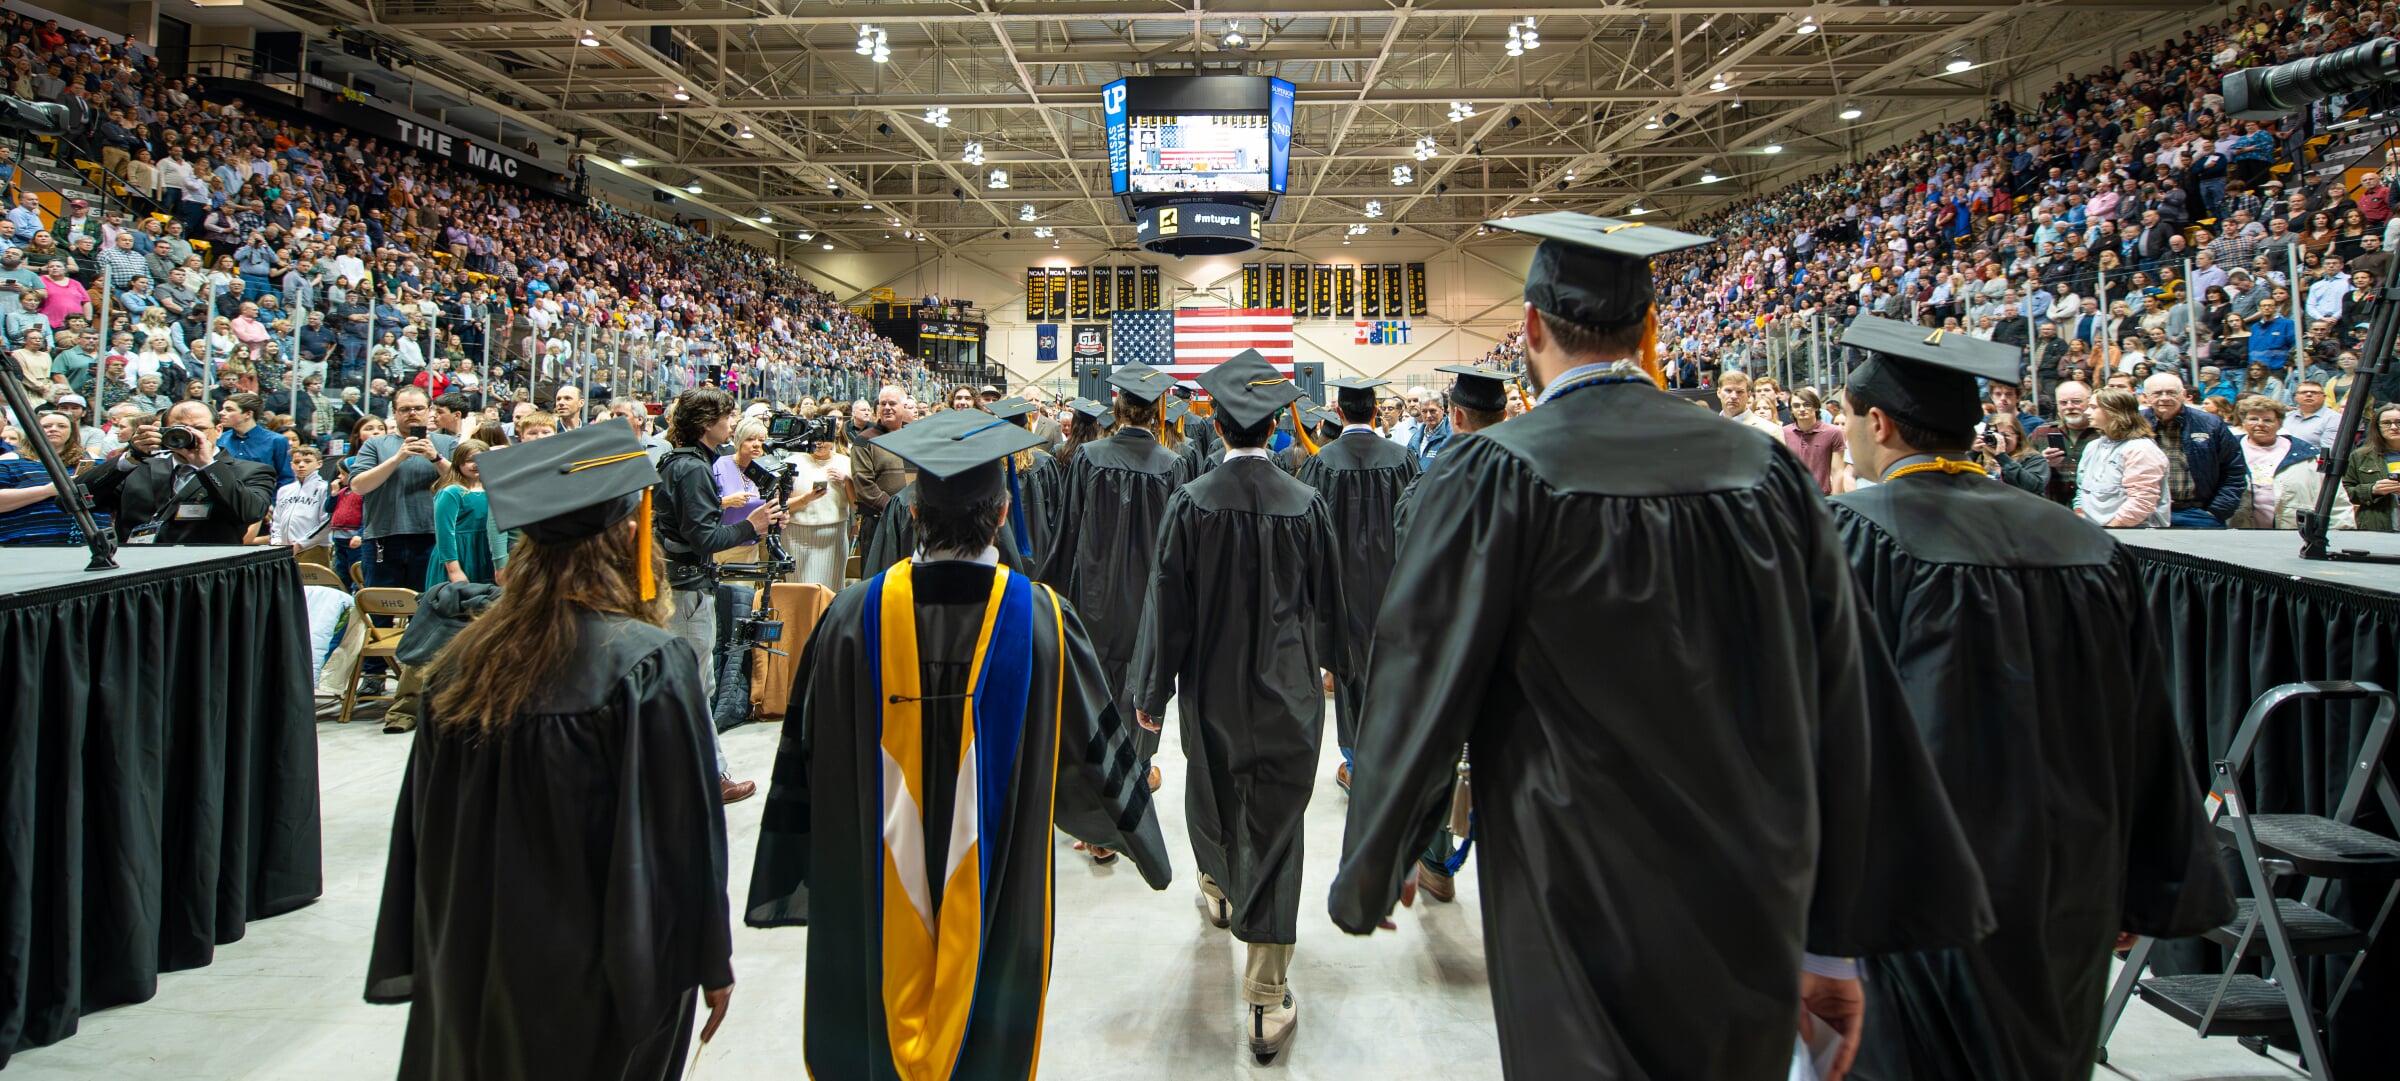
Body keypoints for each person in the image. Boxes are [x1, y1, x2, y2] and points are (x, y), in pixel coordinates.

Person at [1331, 212, 1990, 1081]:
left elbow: (1422, 676)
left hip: (1569, 883)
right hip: (1749, 890)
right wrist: (1834, 944)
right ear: (1650, 332)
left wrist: (1376, 863)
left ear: (1529, 329)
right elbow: (1844, 701)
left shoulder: (1488, 474)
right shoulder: (1768, 476)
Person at [1828, 314, 2232, 1081]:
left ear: (1876, 421)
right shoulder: (2084, 544)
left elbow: (1818, 719)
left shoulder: (1850, 533)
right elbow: (2142, 719)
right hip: (2069, 876)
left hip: (1917, 883)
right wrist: (2143, 879)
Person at [743, 404, 1171, 1081]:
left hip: (876, 883)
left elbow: (810, 759)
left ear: (913, 512)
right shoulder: (1042, 624)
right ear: (1003, 514)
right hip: (998, 886)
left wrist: (794, 864)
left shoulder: (851, 619)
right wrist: (1142, 841)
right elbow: (1094, 758)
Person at [366, 422, 736, 1081]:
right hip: (594, 965)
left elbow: (421, 831)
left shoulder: (463, 663)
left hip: (472, 958)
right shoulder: (646, 662)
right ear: (627, 535)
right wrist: (710, 957)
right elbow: (681, 833)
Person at [1126, 351, 1350, 1061]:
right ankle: (1264, 996)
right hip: (1289, 693)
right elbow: (1331, 607)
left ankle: (1220, 884)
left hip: (1213, 692)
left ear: (1213, 421)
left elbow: (1169, 608)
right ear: (1281, 421)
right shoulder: (1306, 503)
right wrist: (1339, 671)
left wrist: (1151, 692)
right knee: (1280, 825)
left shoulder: (1190, 502)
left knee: (1213, 792)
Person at [1036, 361, 1185, 809]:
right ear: (1158, 407)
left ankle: (1096, 789)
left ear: (1117, 406)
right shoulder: (1174, 465)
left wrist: (1053, 594)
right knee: (1140, 687)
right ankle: (1134, 779)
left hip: (1094, 598)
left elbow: (1067, 530)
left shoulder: (1088, 457)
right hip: (1147, 601)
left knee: (1095, 688)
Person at [655, 387, 776, 803]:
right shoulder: (691, 468)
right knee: (695, 684)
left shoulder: (681, 462)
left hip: (679, 586)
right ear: (708, 423)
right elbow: (704, 536)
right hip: (686, 592)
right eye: (727, 416)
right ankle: (712, 776)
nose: (732, 422)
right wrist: (752, 525)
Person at [1298, 375, 1419, 791]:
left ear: (1338, 412)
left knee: (1349, 675)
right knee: (1392, 673)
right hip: (1395, 589)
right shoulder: (1404, 459)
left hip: (1341, 591)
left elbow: (1307, 535)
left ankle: (1356, 764)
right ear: (1376, 410)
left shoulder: (1321, 463)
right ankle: (1392, 757)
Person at [80, 399, 277, 544]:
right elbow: (72, 500)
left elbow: (249, 513)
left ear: (218, 430)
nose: (190, 436)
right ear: (163, 431)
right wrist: (129, 459)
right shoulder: (138, 468)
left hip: (204, 578)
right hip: (138, 577)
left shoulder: (252, 471)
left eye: (199, 428)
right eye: (180, 429)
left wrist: (207, 464)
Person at [2141, 371, 2248, 527]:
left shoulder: (2211, 424)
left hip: (2198, 514)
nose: (2164, 398)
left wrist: (2217, 511)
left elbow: (2234, 471)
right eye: (2157, 393)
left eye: (2171, 393)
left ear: (2184, 394)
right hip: (2146, 512)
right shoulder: (2133, 424)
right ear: (2146, 397)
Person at [2075, 388, 2171, 528]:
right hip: (2096, 535)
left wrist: (2111, 532)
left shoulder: (2140, 449)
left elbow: (2142, 502)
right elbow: (2082, 491)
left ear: (2113, 411)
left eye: (2094, 407)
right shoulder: (2093, 446)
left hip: (2134, 539)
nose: (2087, 412)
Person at [2230, 395, 2322, 529]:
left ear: (2279, 423)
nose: (2260, 424)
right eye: (2253, 419)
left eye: (2268, 420)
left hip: (2292, 532)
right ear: (2243, 422)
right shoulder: (2228, 450)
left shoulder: (2306, 454)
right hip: (2241, 532)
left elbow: (2333, 498)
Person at [427, 439, 495, 587]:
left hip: (486, 551)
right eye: (469, 460)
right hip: (460, 554)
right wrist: (454, 571)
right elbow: (444, 533)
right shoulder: (451, 492)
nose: (476, 464)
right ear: (458, 463)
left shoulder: (492, 489)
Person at [2030, 381, 2101, 508]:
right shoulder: (2042, 432)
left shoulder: (2103, 433)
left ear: (2090, 403)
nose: (2070, 407)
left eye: (2076, 401)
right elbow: (2023, 471)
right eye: (2063, 403)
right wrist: (2041, 463)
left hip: (2095, 510)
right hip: (2053, 508)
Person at [268, 443, 333, 558]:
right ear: (291, 465)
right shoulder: (284, 490)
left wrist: (301, 543)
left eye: (307, 461)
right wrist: (276, 542)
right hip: (284, 548)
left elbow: (328, 521)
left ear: (319, 464)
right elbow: (276, 520)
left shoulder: (324, 488)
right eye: (297, 462)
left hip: (314, 547)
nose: (301, 465)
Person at [1783, 386, 1851, 495]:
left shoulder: (1834, 432)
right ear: (1791, 409)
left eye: (1807, 405)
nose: (1801, 409)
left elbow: (1837, 471)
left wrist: (1835, 501)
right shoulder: (1783, 433)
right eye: (1796, 406)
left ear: (1816, 407)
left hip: (1823, 497)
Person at [2344, 402, 2400, 532]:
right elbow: (2345, 493)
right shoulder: (2360, 456)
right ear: (2377, 427)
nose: (2393, 427)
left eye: (2399, 422)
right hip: (2376, 526)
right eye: (2386, 423)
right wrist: (2372, 490)